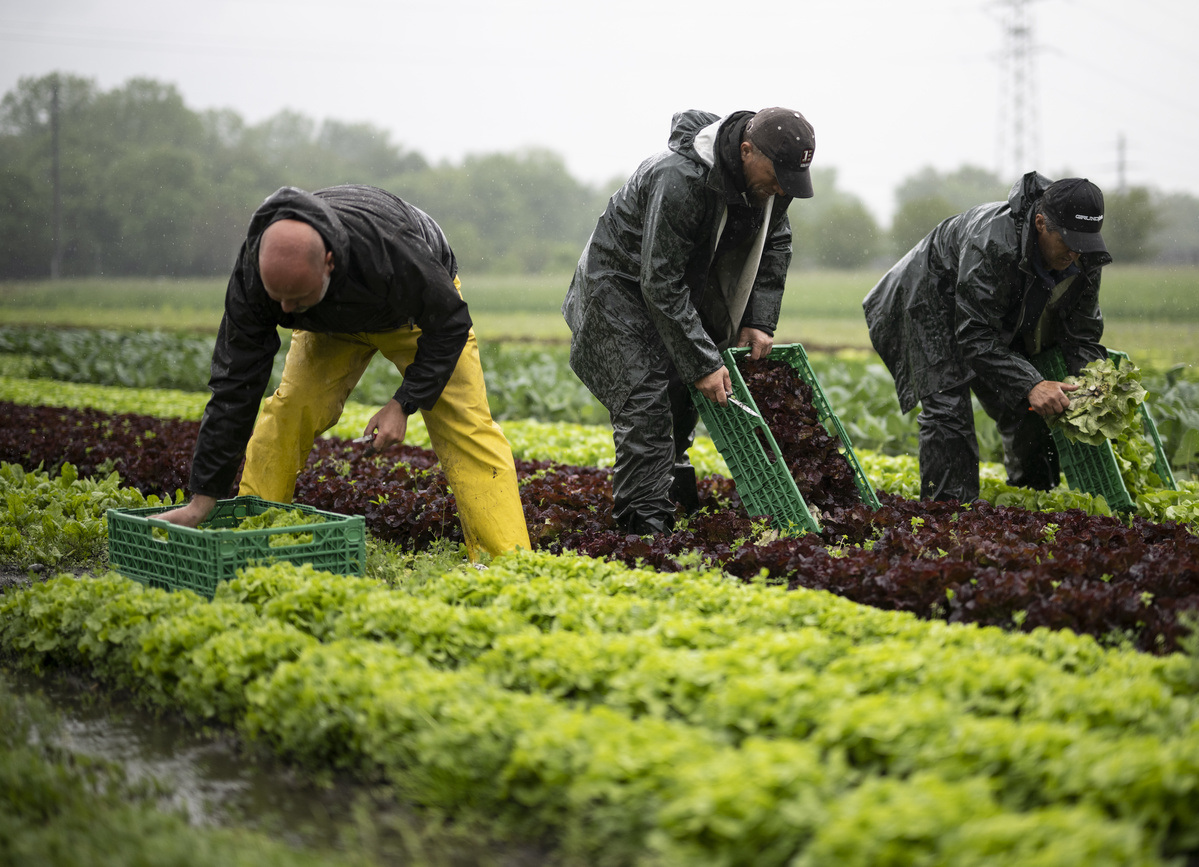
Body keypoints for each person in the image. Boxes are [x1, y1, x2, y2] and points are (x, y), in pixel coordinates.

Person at [158, 184, 531, 559]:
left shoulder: (393, 251)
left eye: (297, 299)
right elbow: (234, 385)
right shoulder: (254, 279)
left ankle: (506, 563)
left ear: (329, 263)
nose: (286, 309)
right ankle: (253, 537)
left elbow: (449, 323)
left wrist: (403, 402)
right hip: (329, 322)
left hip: (415, 314)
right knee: (290, 410)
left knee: (465, 426)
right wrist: (203, 498)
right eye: (278, 300)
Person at [563, 107, 816, 535]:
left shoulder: (772, 182)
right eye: (776, 177)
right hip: (617, 290)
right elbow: (659, 281)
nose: (780, 189)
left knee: (682, 395)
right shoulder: (678, 178)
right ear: (747, 150)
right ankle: (643, 532)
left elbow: (775, 242)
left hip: (679, 287)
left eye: (789, 182)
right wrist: (702, 361)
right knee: (645, 401)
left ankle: (668, 495)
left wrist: (759, 319)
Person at [863, 172, 1112, 503]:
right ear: (1040, 223)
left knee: (1031, 407)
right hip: (924, 301)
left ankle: (1032, 500)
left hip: (988, 309)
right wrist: (1031, 384)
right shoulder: (993, 243)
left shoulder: (1084, 254)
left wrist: (1095, 384)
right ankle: (948, 517)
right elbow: (975, 336)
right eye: (1068, 244)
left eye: (1085, 246)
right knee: (949, 412)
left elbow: (1082, 333)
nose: (1075, 255)